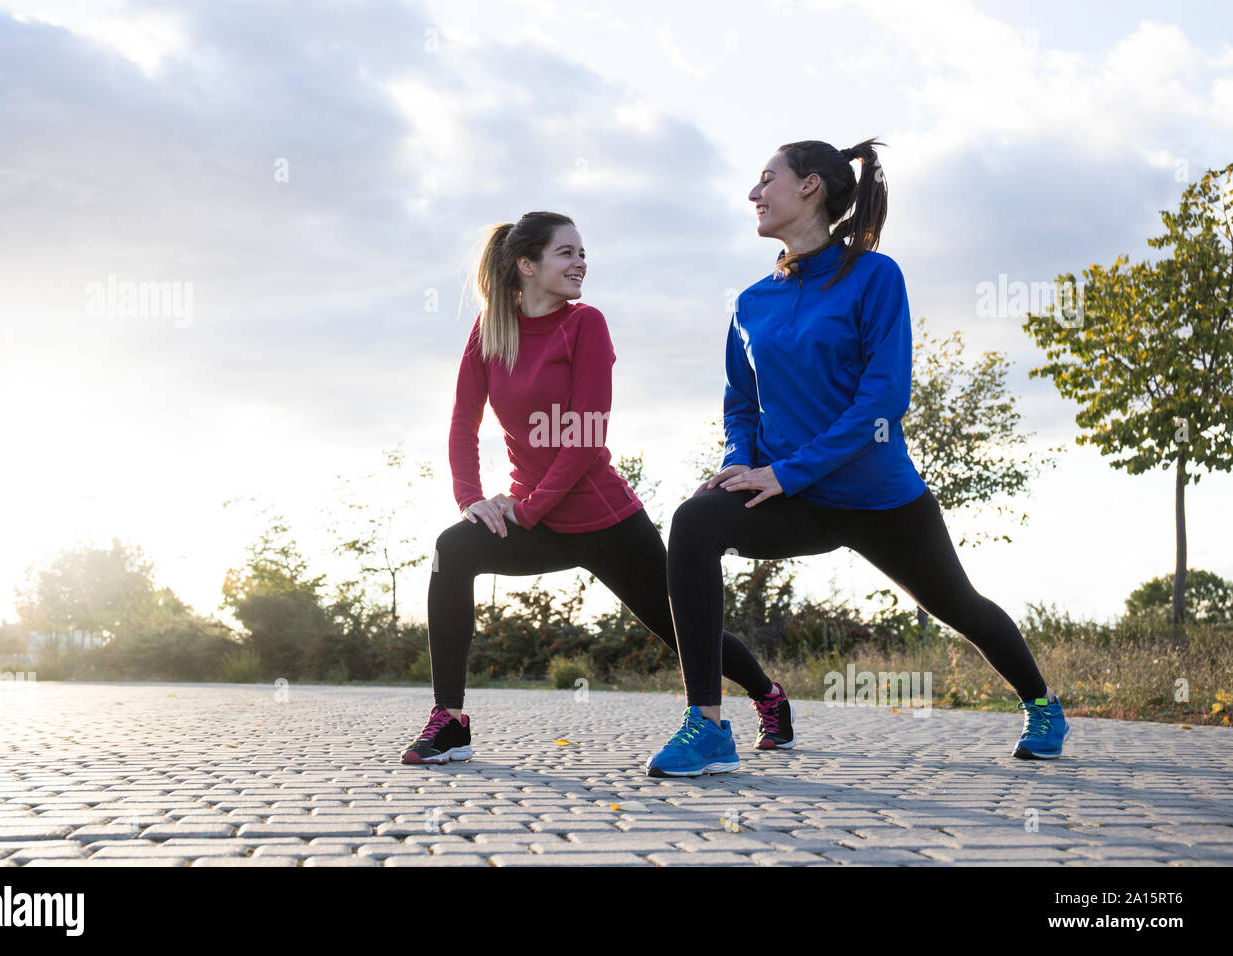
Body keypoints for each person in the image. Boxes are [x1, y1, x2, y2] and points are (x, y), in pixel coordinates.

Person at [644, 139, 1069, 778]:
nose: (754, 194)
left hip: (876, 497)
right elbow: (741, 401)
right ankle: (707, 724)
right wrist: (742, 459)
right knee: (694, 521)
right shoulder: (751, 302)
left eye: (767, 179)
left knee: (959, 605)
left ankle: (1042, 704)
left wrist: (789, 470)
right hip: (791, 499)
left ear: (811, 186)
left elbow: (883, 401)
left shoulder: (875, 276)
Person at [401, 210, 789, 766]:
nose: (581, 263)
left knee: (680, 629)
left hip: (603, 520)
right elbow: (463, 422)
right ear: (527, 265)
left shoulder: (586, 324)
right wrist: (472, 499)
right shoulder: (490, 332)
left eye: (583, 253)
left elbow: (584, 438)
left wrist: (527, 508)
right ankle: (450, 721)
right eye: (567, 253)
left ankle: (769, 697)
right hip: (536, 516)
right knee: (452, 549)